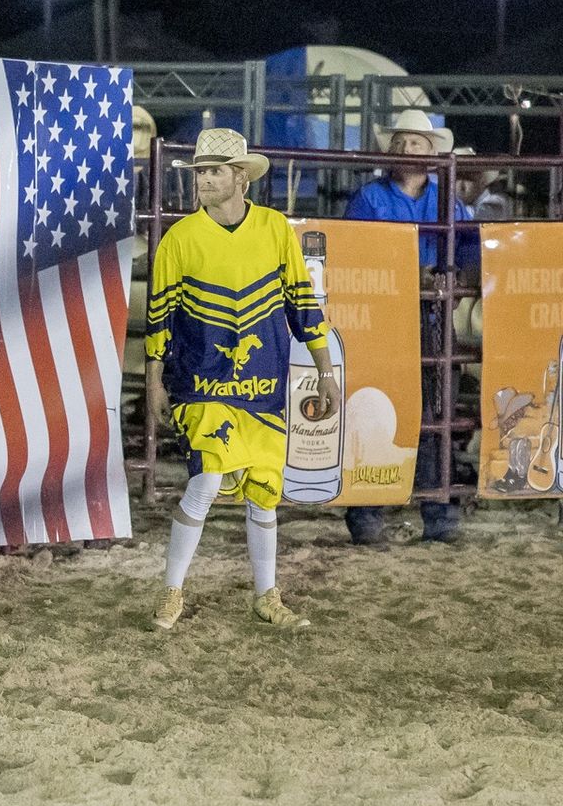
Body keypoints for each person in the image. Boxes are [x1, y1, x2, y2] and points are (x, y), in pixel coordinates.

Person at [146, 128, 340, 631]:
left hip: (263, 384)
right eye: (200, 172)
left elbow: (302, 302)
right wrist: (154, 379)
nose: (205, 180)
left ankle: (266, 595)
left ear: (241, 179)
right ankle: (172, 590)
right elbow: (159, 314)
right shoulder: (179, 239)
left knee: (264, 491)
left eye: (215, 171)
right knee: (207, 478)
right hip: (200, 381)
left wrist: (325, 370)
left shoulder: (275, 229)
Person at [341, 107, 476, 545]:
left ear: (429, 152)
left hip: (429, 314)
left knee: (434, 413)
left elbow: (469, 249)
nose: (404, 149)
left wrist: (448, 276)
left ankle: (433, 513)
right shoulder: (371, 198)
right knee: (380, 408)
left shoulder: (445, 200)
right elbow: (354, 253)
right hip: (385, 313)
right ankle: (373, 513)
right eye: (399, 142)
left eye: (413, 142)